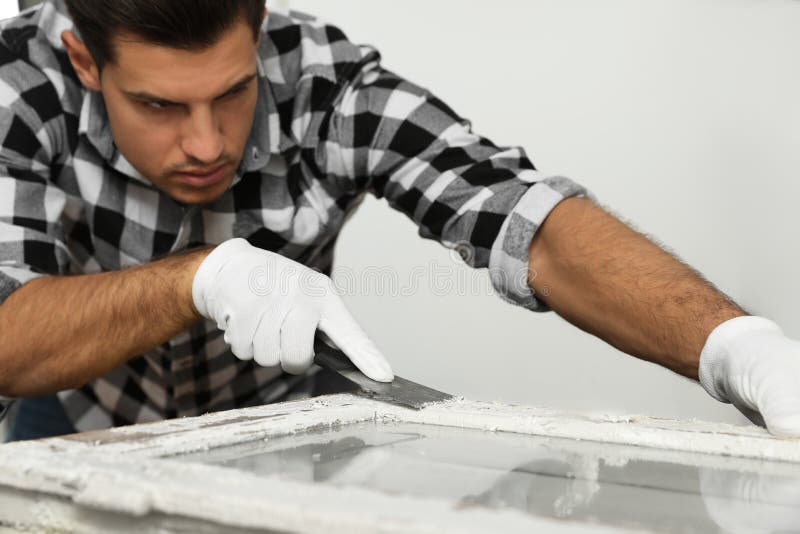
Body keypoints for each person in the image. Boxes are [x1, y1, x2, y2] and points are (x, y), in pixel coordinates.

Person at [1, 0, 798, 441]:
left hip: (280, 416)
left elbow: (525, 220)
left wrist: (733, 345)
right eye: (158, 104)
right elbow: (7, 336)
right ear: (83, 61)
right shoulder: (17, 86)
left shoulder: (328, 83)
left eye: (234, 91)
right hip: (73, 405)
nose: (208, 142)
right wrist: (197, 279)